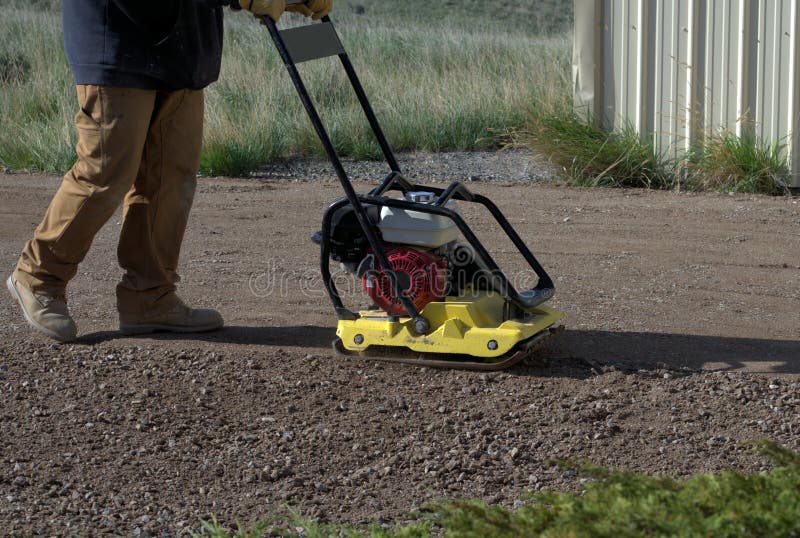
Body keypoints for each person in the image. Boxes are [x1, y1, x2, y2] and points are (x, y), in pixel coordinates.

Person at [7, 0, 332, 342]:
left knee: (171, 175)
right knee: (105, 172)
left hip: (183, 45)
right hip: (116, 33)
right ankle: (38, 276)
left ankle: (150, 296)